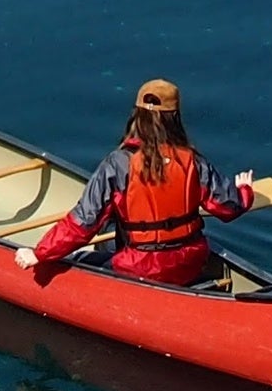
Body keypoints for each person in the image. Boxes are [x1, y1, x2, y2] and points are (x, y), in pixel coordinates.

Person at [17, 78, 254, 288]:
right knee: (111, 237)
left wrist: (40, 253)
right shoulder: (193, 160)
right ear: (176, 118)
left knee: (76, 259)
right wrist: (244, 191)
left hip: (138, 268)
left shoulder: (118, 164)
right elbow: (228, 207)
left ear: (137, 116)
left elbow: (83, 223)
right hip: (188, 264)